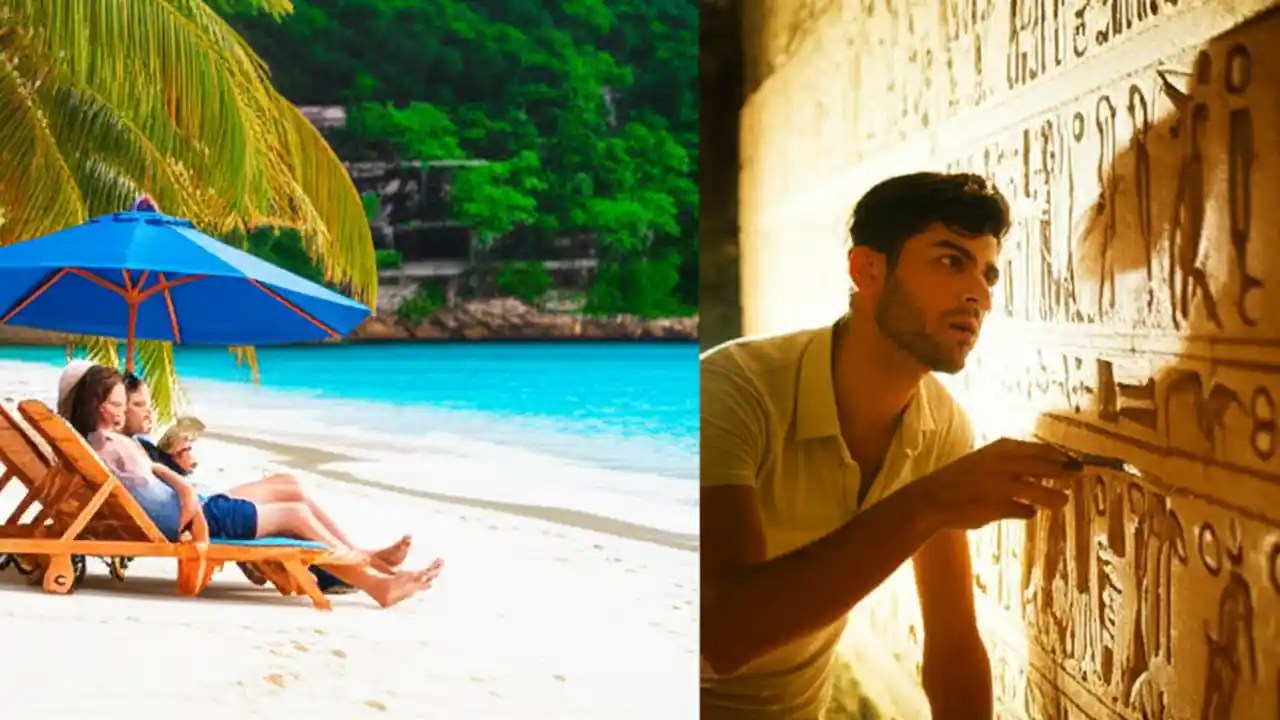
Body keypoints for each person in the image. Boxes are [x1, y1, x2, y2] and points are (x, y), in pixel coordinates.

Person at [700, 172, 1085, 719]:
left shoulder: (941, 425)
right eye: (951, 262)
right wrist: (930, 501)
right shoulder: (731, 390)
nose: (979, 294)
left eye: (988, 273)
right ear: (868, 270)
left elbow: (952, 643)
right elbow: (722, 632)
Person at [65, 365, 440, 608]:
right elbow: (152, 476)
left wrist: (176, 478)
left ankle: (368, 563)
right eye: (118, 403)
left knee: (294, 500)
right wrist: (181, 485)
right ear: (99, 405)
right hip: (199, 517)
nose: (121, 411)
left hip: (197, 510)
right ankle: (375, 581)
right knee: (296, 514)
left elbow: (149, 474)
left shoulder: (104, 445)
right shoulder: (113, 444)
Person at [117, 372, 359, 594]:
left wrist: (174, 456)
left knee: (290, 484)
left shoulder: (135, 442)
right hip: (204, 508)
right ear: (117, 409)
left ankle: (352, 556)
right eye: (138, 404)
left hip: (205, 499)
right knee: (293, 502)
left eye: (148, 404)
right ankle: (351, 565)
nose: (149, 411)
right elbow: (161, 488)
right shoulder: (124, 451)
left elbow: (165, 475)